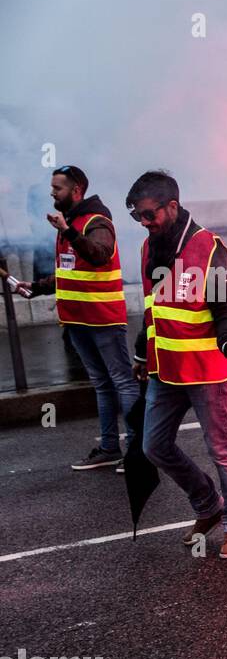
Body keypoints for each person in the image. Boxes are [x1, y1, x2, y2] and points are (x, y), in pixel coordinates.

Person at [126, 170, 227, 559]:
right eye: (137, 217)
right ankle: (207, 504)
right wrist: (139, 353)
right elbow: (153, 308)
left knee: (221, 449)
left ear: (172, 206)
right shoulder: (150, 248)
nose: (145, 223)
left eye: (149, 214)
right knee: (154, 446)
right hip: (165, 369)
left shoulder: (209, 248)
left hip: (206, 369)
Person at [18, 165, 139, 470]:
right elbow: (69, 272)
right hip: (77, 321)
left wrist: (68, 231)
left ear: (75, 191)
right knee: (102, 384)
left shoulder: (95, 221)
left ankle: (138, 451)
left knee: (123, 382)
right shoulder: (69, 224)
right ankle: (110, 448)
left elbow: (100, 253)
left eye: (57, 188)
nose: (51, 193)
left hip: (103, 318)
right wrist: (35, 287)